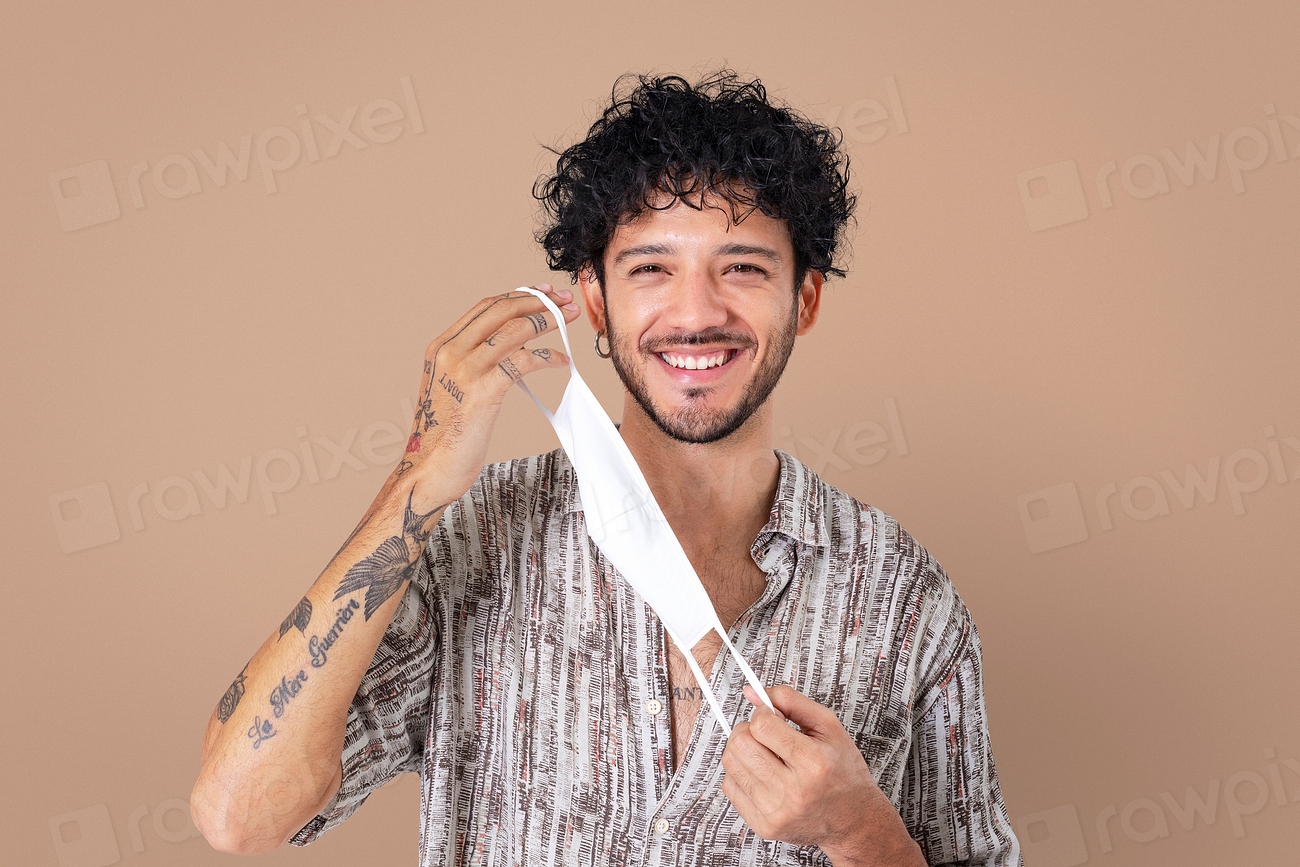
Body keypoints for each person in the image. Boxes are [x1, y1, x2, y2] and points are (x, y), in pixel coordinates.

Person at [191, 69, 1022, 867]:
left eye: (743, 266)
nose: (696, 312)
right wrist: (420, 480)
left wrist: (859, 831)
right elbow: (238, 813)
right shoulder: (479, 542)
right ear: (593, 300)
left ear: (803, 300)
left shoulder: (903, 598)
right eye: (651, 268)